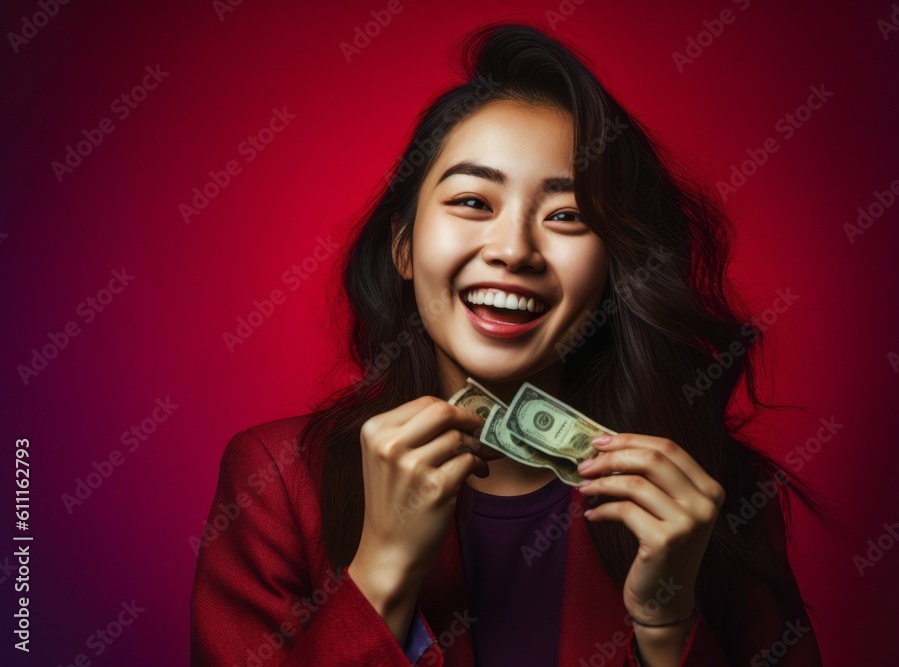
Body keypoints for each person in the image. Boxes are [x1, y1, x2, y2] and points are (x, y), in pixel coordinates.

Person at [190, 22, 827, 667]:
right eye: (472, 200)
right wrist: (380, 572)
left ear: (612, 270)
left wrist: (666, 624)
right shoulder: (277, 482)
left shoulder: (710, 490)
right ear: (404, 246)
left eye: (568, 216)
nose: (515, 250)